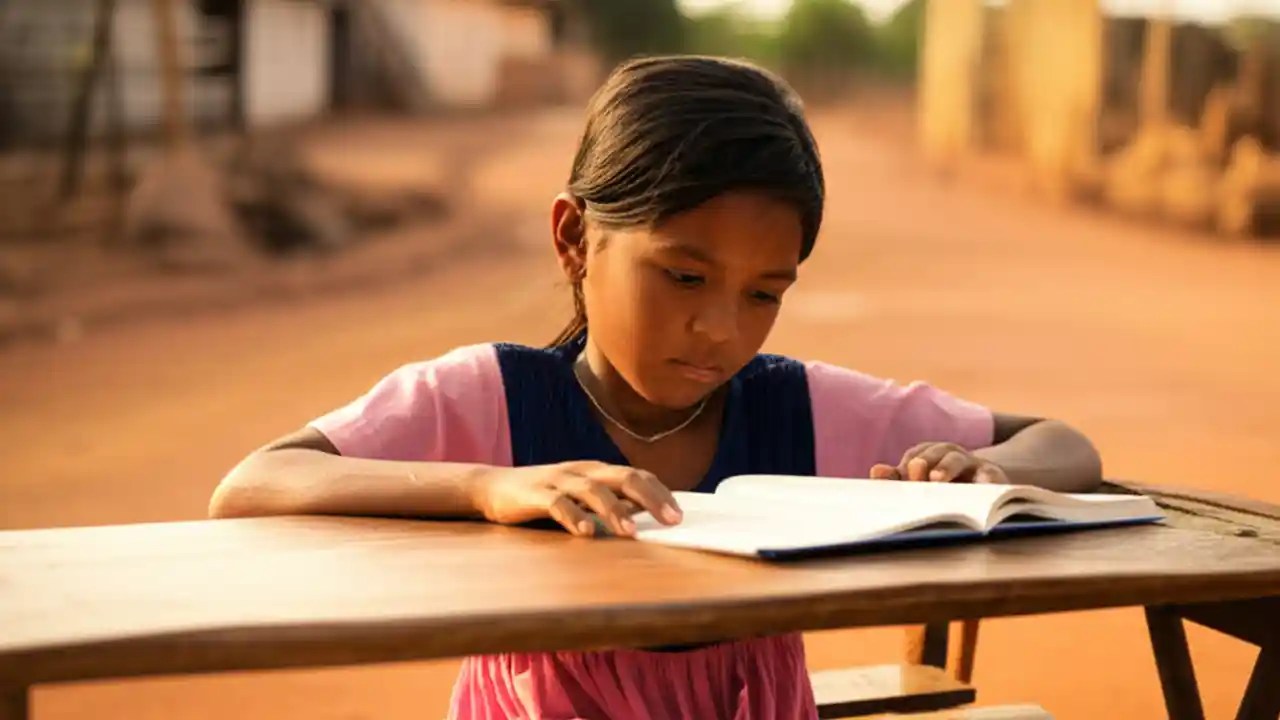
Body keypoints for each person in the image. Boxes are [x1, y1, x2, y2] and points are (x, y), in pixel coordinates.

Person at [209, 55, 1103, 720]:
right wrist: (487, 485)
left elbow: (1063, 444)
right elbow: (254, 484)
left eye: (764, 294)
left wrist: (977, 468)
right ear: (573, 238)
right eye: (683, 276)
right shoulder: (491, 401)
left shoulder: (797, 407)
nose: (721, 329)